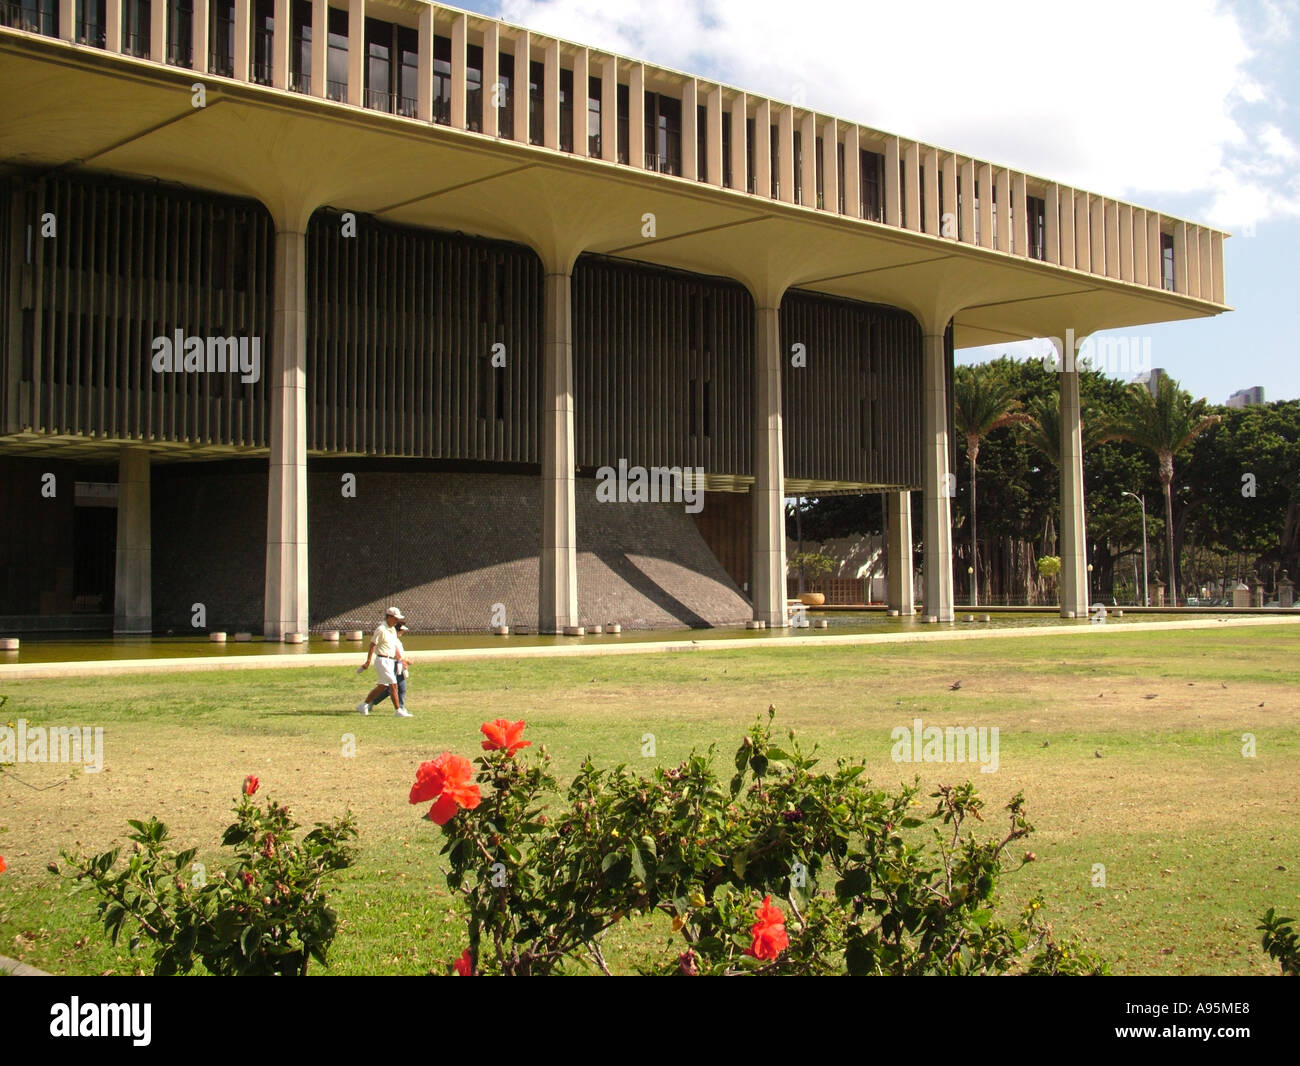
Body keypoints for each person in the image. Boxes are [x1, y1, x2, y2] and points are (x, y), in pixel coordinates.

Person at [356, 607, 413, 717]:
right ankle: (398, 711)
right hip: (382, 660)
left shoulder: (392, 630)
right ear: (389, 617)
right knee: (393, 685)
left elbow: (393, 646)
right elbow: (372, 644)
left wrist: (400, 659)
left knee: (382, 686)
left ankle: (364, 705)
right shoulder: (381, 629)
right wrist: (368, 661)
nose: (397, 621)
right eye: (395, 618)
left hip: (390, 661)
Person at [369, 623, 412, 715]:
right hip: (394, 665)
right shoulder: (392, 639)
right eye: (401, 631)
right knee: (399, 687)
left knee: (390, 689)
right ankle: (400, 708)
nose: (402, 632)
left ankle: (371, 701)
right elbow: (395, 654)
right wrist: (404, 661)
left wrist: (404, 660)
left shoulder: (396, 640)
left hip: (397, 664)